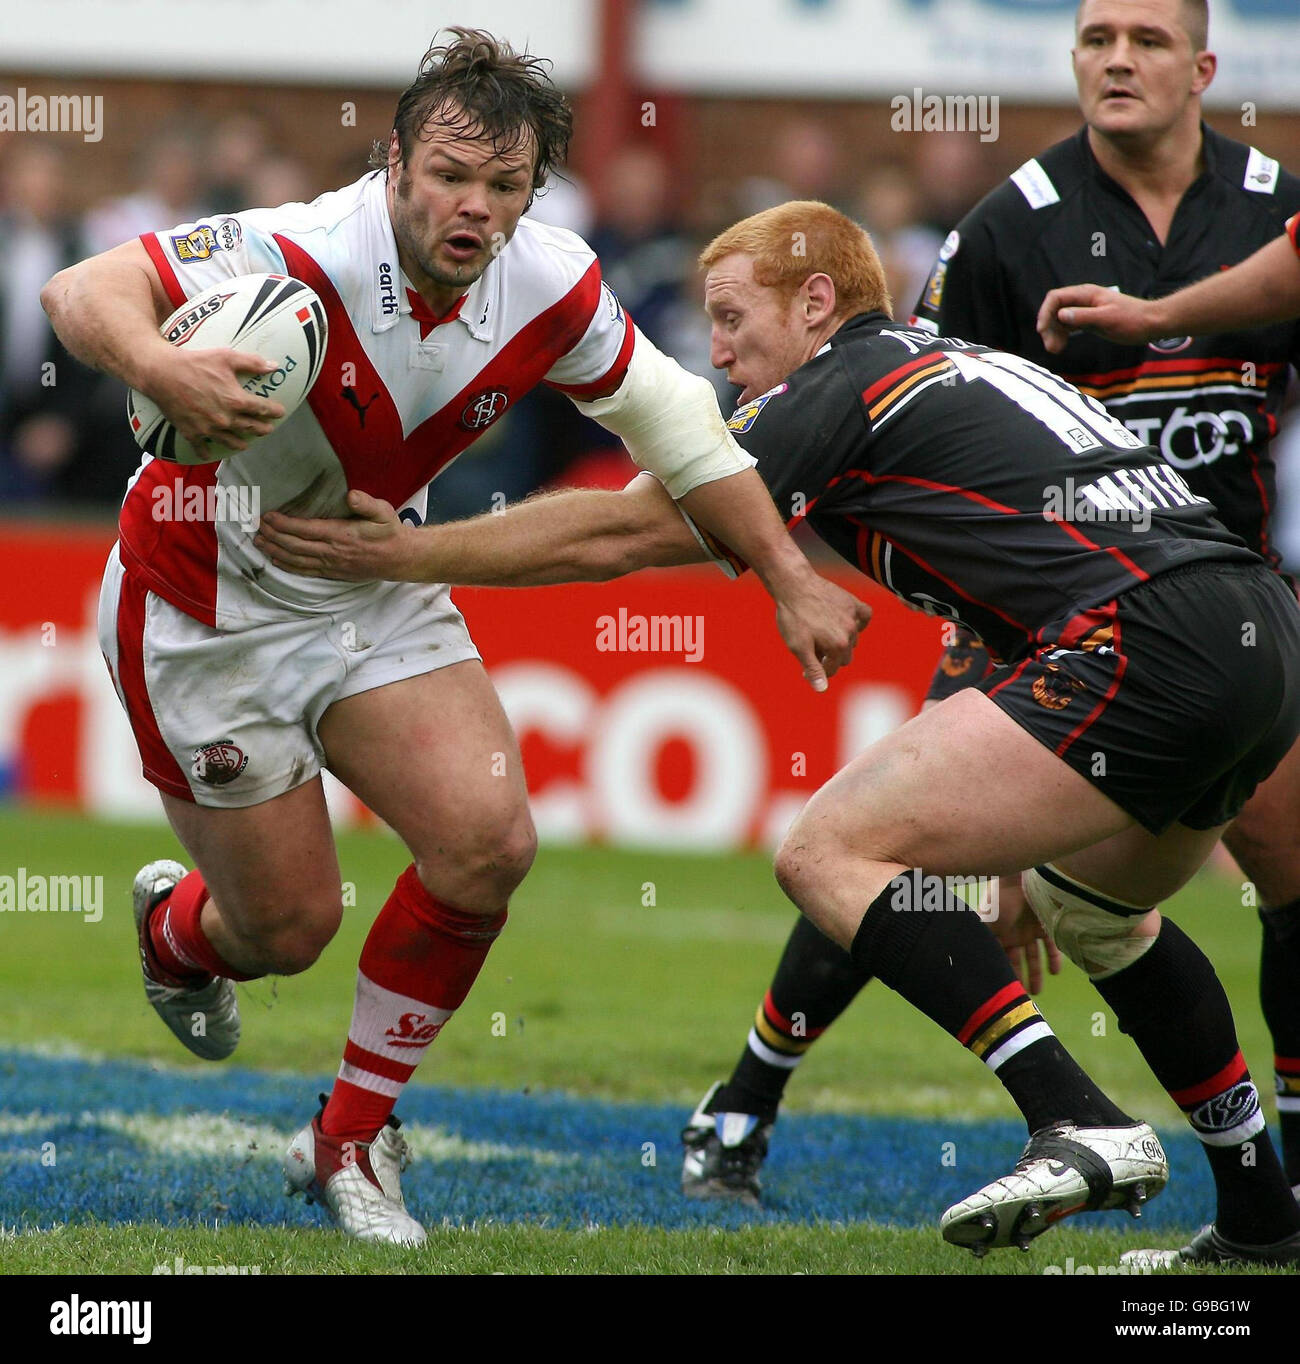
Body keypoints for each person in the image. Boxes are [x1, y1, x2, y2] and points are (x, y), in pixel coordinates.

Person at [259, 199, 1300, 1260]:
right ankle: (1263, 1216)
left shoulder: (841, 378)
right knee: (1096, 914)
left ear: (815, 301)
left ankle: (1070, 1114)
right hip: (1258, 626)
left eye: (729, 316)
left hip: (1145, 635)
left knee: (825, 847)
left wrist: (401, 554)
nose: (714, 351)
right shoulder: (938, 368)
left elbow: (628, 528)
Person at [40, 29, 868, 1248]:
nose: (472, 206)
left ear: (536, 193)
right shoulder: (303, 248)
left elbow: (679, 425)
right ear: (393, 163)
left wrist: (789, 575)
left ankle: (351, 1136)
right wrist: (168, 364)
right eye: (448, 174)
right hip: (201, 604)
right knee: (287, 931)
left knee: (488, 842)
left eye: (503, 184)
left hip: (374, 583)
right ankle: (179, 935)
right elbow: (81, 292)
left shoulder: (549, 278)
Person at [662, 0, 1300, 1269]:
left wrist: (1145, 317)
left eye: (1147, 38)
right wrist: (974, 663)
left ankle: (1206, 1174)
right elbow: (934, 408)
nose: (1117, 59)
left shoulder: (1270, 203)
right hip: (1060, 607)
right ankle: (749, 1095)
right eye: (1094, 37)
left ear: (1204, 67)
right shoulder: (1012, 224)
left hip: (1216, 587)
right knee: (964, 859)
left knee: (1283, 892)